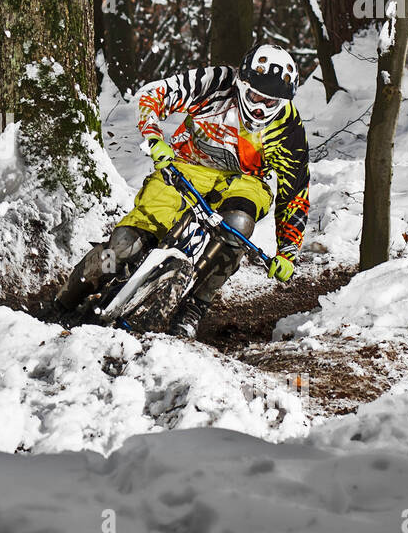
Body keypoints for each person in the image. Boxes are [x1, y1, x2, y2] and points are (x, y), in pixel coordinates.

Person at [55, 44, 310, 338]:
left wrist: (288, 252)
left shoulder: (289, 126)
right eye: (255, 96)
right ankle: (69, 295)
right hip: (187, 164)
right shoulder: (215, 82)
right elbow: (154, 94)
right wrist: (154, 137)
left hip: (244, 180)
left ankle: (195, 306)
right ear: (242, 82)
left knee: (238, 226)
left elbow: (296, 191)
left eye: (272, 102)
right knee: (126, 243)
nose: (261, 107)